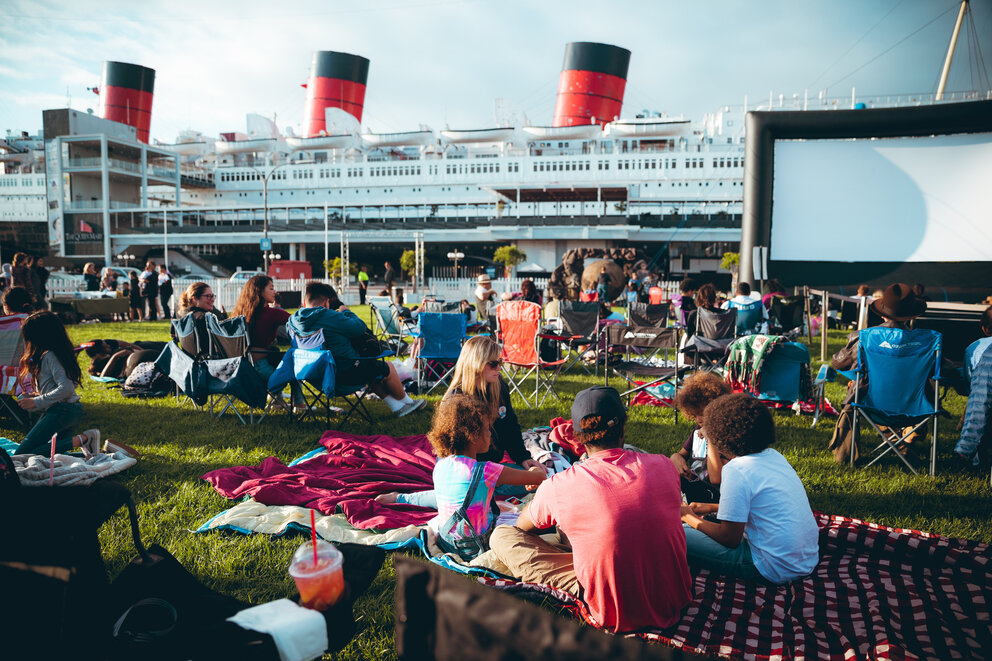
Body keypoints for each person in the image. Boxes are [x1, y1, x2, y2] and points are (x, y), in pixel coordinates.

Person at [489, 386, 692, 633]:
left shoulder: (562, 485)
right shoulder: (665, 466)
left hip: (612, 610)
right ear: (623, 427)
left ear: (576, 437)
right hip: (675, 600)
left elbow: (522, 528)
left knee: (502, 536)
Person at [378, 335, 546, 506]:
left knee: (533, 481)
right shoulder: (457, 400)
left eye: (500, 362)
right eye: (493, 364)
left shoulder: (499, 386)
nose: (499, 368)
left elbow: (510, 425)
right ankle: (406, 498)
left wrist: (523, 458)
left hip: (488, 466)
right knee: (470, 493)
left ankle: (474, 488)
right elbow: (454, 450)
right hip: (463, 464)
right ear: (476, 364)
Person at [681, 393, 819, 584]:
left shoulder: (736, 470)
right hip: (804, 561)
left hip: (768, 567)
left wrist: (687, 515)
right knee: (687, 527)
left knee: (671, 534)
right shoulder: (774, 456)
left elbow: (730, 538)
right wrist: (711, 508)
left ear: (720, 438)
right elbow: (759, 506)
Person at [419, 395, 547, 560]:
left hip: (447, 542)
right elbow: (540, 476)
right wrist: (533, 471)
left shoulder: (441, 466)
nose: (491, 434)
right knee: (528, 516)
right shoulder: (486, 470)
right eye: (487, 429)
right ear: (473, 436)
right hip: (477, 546)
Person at [288, 282, 426, 417]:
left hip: (314, 378)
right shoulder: (328, 316)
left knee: (370, 368)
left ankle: (397, 407)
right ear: (326, 303)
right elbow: (359, 328)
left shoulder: (293, 321)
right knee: (386, 367)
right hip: (342, 376)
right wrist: (347, 312)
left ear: (305, 303)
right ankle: (408, 401)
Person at [13, 311, 137, 458]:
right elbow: (61, 386)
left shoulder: (50, 356)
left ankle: (84, 439)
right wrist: (37, 395)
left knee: (21, 454)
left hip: (62, 411)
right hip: (68, 411)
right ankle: (104, 454)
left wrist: (36, 401)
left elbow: (66, 388)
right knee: (55, 456)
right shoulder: (55, 354)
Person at [828, 283, 929, 461]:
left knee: (855, 386)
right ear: (911, 316)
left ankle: (890, 437)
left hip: (872, 405)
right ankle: (902, 437)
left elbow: (837, 363)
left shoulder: (865, 337)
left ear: (883, 313)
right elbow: (947, 372)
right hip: (916, 408)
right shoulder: (928, 343)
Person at [231, 275, 303, 410]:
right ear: (259, 291)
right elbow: (298, 322)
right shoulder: (272, 314)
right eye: (271, 288)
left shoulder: (238, 315)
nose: (274, 292)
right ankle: (299, 404)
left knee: (276, 357)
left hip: (242, 370)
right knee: (294, 367)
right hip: (262, 370)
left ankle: (277, 401)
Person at [671, 371, 733, 504]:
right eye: (694, 415)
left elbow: (718, 478)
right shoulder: (697, 431)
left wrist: (710, 435)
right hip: (697, 488)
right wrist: (676, 457)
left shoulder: (726, 434)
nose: (699, 419)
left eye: (703, 414)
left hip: (718, 495)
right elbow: (682, 454)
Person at [951, 305, 992, 469]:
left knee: (979, 400)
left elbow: (970, 388)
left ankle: (967, 450)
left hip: (985, 414)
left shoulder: (977, 349)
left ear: (984, 329)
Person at [83, 338, 168, 380]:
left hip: (137, 350)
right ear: (99, 351)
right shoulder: (101, 362)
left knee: (161, 346)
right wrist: (116, 356)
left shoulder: (109, 353)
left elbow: (127, 344)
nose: (109, 346)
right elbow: (103, 376)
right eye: (106, 346)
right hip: (134, 359)